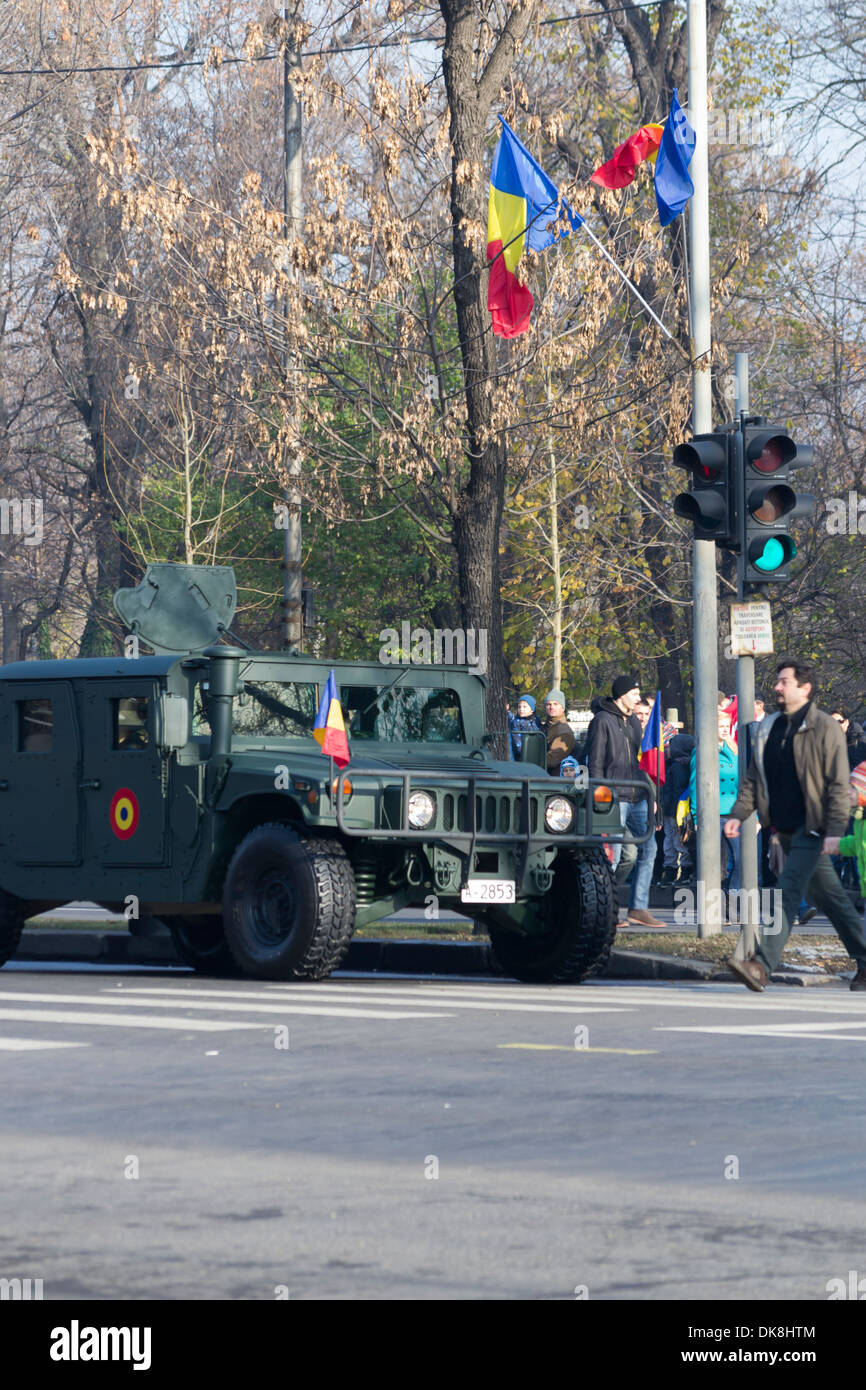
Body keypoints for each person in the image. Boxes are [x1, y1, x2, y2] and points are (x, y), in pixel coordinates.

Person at [723, 659, 866, 992]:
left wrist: (833, 832)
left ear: (805, 688)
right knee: (833, 902)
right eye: (778, 681)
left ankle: (760, 965)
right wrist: (738, 814)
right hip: (784, 831)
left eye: (784, 682)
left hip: (812, 830)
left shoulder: (824, 728)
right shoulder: (769, 726)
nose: (777, 687)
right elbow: (754, 779)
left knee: (786, 893)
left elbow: (836, 785)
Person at [584, 674, 662, 927]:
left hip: (638, 796)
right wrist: (599, 799)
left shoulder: (634, 723)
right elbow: (595, 764)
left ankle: (638, 908)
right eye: (634, 694)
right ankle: (604, 908)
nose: (638, 698)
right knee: (613, 857)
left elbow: (641, 762)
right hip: (613, 798)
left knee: (648, 849)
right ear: (621, 695)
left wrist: (650, 796)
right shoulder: (602, 721)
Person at [691, 705, 741, 896]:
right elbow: (696, 785)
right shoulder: (703, 750)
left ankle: (732, 897)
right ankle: (714, 901)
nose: (725, 729)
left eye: (727, 725)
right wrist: (696, 818)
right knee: (713, 864)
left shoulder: (734, 749)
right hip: (713, 813)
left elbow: (742, 783)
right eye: (721, 725)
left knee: (741, 860)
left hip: (734, 813)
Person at [658, 732, 695, 884]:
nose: (667, 750)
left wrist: (669, 809)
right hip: (673, 810)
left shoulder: (678, 767)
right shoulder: (679, 765)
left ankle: (678, 871)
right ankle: (673, 870)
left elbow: (676, 790)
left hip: (674, 811)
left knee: (677, 841)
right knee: (674, 841)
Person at [542, 690, 575, 774]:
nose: (551, 707)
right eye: (549, 704)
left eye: (555, 704)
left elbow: (551, 760)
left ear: (563, 708)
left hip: (555, 781)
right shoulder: (547, 726)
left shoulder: (564, 732)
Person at [508, 695, 541, 761]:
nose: (521, 709)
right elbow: (516, 738)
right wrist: (522, 752)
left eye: (524, 707)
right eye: (519, 707)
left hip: (535, 751)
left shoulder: (536, 720)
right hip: (523, 753)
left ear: (532, 709)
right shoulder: (516, 722)